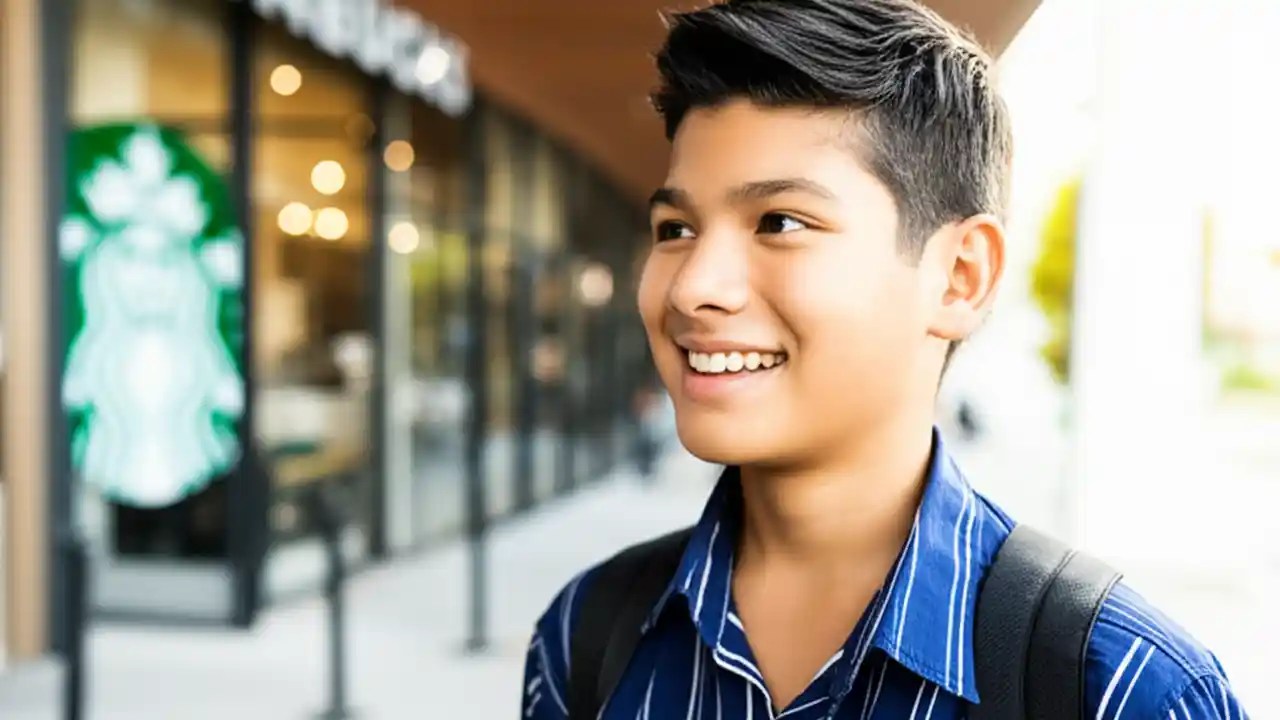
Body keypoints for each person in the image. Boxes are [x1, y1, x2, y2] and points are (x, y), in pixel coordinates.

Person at [521, 1, 1248, 718]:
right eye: (675, 227)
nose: (691, 287)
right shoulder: (585, 638)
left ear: (961, 275)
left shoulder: (1126, 690)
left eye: (780, 222)